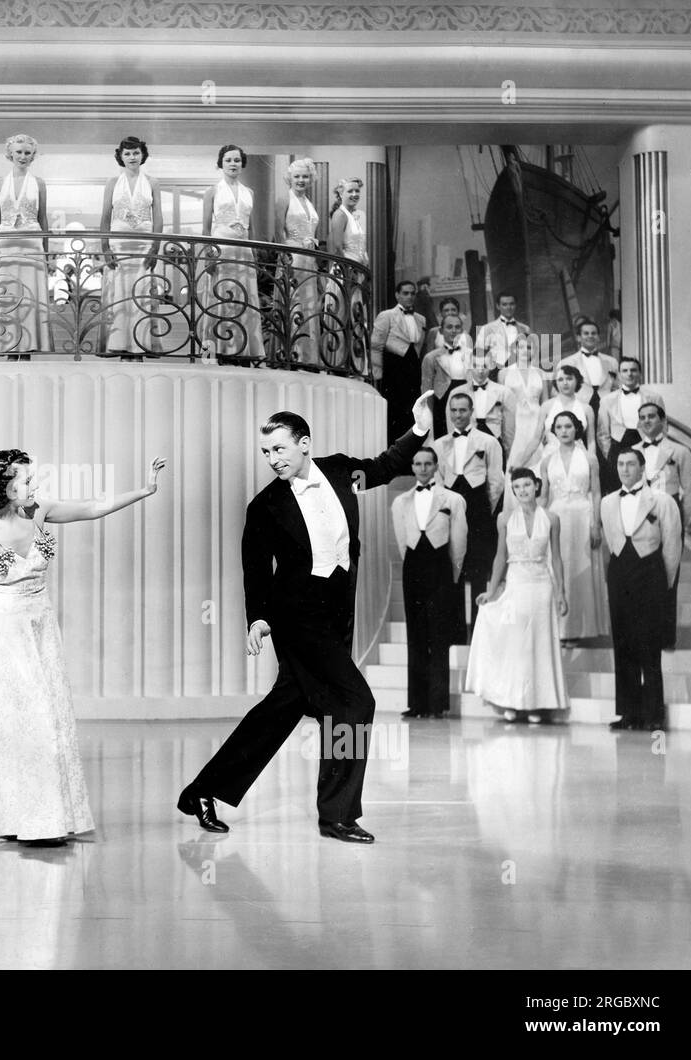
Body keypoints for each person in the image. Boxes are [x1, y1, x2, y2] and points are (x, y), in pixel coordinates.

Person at [177, 391, 435, 844]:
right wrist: (257, 619)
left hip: (338, 611)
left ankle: (202, 791)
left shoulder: (338, 469)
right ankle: (337, 815)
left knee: (284, 707)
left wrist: (417, 429)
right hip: (297, 617)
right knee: (355, 703)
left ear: (304, 443)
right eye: (266, 452)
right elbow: (254, 570)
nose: (272, 459)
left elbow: (384, 465)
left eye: (279, 448)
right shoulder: (265, 506)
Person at [0, 449, 166, 845]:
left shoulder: (39, 511)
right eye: (27, 481)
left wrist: (146, 489)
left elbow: (94, 507)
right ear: (6, 488)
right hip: (3, 633)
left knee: (38, 726)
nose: (36, 486)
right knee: (12, 728)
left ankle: (31, 819)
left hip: (41, 628)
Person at [465, 467, 569, 724]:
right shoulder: (504, 519)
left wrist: (561, 593)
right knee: (516, 644)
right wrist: (491, 590)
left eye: (527, 485)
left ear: (536, 486)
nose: (523, 490)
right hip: (516, 582)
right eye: (517, 487)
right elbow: (501, 555)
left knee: (539, 643)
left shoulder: (552, 518)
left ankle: (536, 704)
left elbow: (556, 557)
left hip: (542, 584)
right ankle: (512, 701)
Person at [601, 449, 682, 731]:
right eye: (621, 464)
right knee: (623, 645)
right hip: (620, 573)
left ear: (642, 467)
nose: (624, 469)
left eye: (631, 464)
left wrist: (665, 585)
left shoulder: (662, 501)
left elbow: (672, 547)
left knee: (649, 645)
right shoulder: (607, 502)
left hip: (651, 573)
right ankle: (629, 713)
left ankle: (654, 716)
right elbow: (607, 546)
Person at [390, 446, 467, 718]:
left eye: (427, 464)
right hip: (413, 566)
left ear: (435, 466)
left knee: (439, 634)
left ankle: (437, 704)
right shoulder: (401, 502)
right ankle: (417, 703)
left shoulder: (453, 499)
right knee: (416, 635)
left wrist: (452, 576)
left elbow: (459, 543)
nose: (422, 469)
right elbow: (402, 541)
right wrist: (414, 561)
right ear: (412, 467)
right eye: (417, 463)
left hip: (440, 568)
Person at [432, 391, 504, 640]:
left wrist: (483, 510)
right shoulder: (439, 444)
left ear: (472, 412)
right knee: (452, 571)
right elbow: (437, 482)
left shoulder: (489, 442)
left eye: (462, 410)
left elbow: (496, 482)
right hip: (451, 511)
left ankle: (479, 633)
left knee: (478, 571)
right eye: (453, 410)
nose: (458, 415)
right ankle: (455, 633)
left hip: (480, 512)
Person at [636, 401, 691, 648]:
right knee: (641, 574)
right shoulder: (632, 451)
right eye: (642, 417)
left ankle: (664, 636)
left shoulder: (679, 451)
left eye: (652, 416)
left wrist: (681, 521)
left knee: (668, 572)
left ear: (663, 421)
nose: (647, 421)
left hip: (669, 514)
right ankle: (643, 633)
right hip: (641, 517)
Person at [539, 411, 607, 642]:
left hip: (583, 515)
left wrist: (596, 523)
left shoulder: (589, 458)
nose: (564, 431)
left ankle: (582, 628)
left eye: (568, 426)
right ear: (554, 431)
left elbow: (596, 492)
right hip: (557, 516)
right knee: (561, 567)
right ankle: (561, 629)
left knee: (581, 567)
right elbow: (543, 496)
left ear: (576, 428)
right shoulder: (547, 460)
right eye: (559, 427)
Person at [195, 144, 263, 365]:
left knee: (243, 298)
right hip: (221, 250)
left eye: (236, 160)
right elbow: (205, 228)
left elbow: (251, 228)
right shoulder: (212, 191)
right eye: (228, 160)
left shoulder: (249, 192)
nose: (233, 164)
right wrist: (208, 255)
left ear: (242, 164)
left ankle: (243, 349)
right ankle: (218, 349)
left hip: (243, 252)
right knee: (221, 297)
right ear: (221, 164)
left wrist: (254, 253)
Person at [0, 134, 52, 359]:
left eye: (27, 153)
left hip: (31, 246)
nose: (23, 156)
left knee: (29, 297)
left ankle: (27, 348)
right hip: (4, 245)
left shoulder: (39, 183)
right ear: (10, 154)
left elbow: (43, 218)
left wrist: (47, 252)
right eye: (19, 152)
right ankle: (7, 345)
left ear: (33, 156)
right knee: (6, 295)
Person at [99, 136, 163, 361]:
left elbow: (158, 218)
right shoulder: (112, 183)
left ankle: (141, 345)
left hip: (144, 246)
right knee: (120, 294)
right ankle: (119, 345)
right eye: (127, 153)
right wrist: (105, 248)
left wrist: (156, 247)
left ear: (142, 155)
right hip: (119, 246)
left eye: (136, 152)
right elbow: (105, 216)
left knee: (142, 294)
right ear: (121, 157)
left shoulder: (152, 182)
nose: (132, 157)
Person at [274, 157, 321, 365]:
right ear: (289, 178)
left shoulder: (309, 203)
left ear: (310, 179)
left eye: (305, 176)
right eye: (297, 176)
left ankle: (308, 356)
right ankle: (292, 354)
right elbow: (277, 233)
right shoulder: (285, 199)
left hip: (309, 260)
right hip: (292, 259)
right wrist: (286, 259)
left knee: (308, 305)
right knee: (293, 303)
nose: (301, 180)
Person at [370, 279, 428, 440]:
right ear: (397, 295)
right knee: (394, 415)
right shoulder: (386, 315)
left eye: (412, 293)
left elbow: (419, 347)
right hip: (393, 370)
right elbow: (376, 346)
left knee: (411, 413)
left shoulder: (421, 319)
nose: (409, 297)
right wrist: (378, 375)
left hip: (412, 370)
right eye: (405, 293)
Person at [598, 357, 663, 494]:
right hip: (617, 448)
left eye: (633, 370)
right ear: (619, 374)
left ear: (640, 373)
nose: (629, 374)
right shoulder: (607, 400)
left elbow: (663, 427)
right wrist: (610, 453)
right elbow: (603, 433)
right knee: (619, 492)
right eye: (625, 370)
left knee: (647, 490)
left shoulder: (654, 397)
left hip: (645, 446)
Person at [326, 177, 368, 367]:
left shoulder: (355, 216)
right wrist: (346, 270)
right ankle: (340, 362)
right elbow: (335, 247)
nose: (354, 194)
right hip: (344, 272)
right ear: (340, 194)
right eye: (350, 191)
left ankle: (353, 362)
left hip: (355, 273)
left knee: (355, 315)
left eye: (357, 191)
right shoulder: (340, 215)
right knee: (343, 313)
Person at [499, 338, 550, 471]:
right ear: (515, 349)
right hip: (515, 422)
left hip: (537, 421)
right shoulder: (504, 373)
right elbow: (501, 403)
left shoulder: (540, 373)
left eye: (529, 347)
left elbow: (546, 403)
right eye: (521, 347)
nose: (525, 351)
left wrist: (546, 428)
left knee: (539, 457)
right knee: (516, 458)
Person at [446, 354, 511, 455]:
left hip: (494, 442)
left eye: (484, 366)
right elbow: (451, 424)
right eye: (476, 366)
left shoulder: (503, 392)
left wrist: (507, 450)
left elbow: (509, 429)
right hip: (467, 443)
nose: (480, 371)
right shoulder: (457, 392)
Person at [419, 311, 471, 435]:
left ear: (462, 331)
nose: (453, 331)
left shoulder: (471, 355)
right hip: (442, 402)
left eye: (457, 327)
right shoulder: (431, 358)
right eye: (449, 327)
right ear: (441, 331)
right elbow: (427, 390)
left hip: (466, 398)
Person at [555, 317, 616, 414]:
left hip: (606, 411)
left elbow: (618, 388)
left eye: (593, 333)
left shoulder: (611, 362)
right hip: (578, 410)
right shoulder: (566, 363)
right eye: (586, 333)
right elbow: (557, 392)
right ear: (578, 337)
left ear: (598, 337)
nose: (590, 336)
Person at [539, 364, 595, 459]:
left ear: (577, 380)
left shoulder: (586, 409)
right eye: (560, 380)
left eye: (569, 379)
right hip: (551, 456)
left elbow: (591, 441)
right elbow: (536, 438)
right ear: (555, 383)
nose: (565, 383)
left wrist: (592, 461)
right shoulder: (546, 406)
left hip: (579, 456)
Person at [473, 290, 531, 371]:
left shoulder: (525, 329)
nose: (508, 308)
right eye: (504, 304)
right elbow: (478, 354)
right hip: (496, 372)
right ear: (498, 306)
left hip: (520, 371)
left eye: (511, 304)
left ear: (515, 305)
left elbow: (531, 353)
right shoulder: (487, 329)